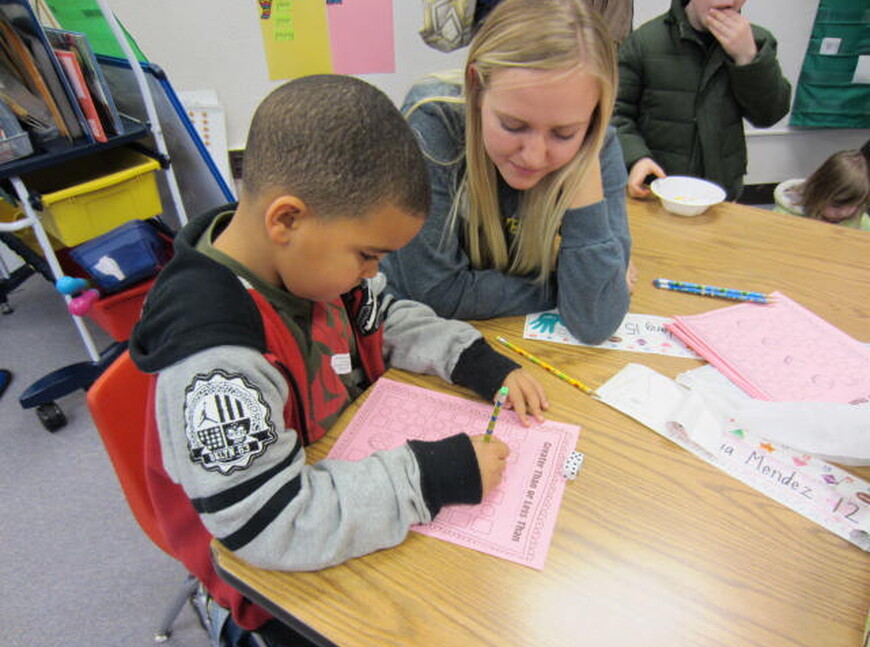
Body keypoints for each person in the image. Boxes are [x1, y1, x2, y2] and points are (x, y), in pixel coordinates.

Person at [128, 75, 548, 646]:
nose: (374, 272)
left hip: (342, 469)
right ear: (286, 220)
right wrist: (432, 475)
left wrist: (471, 360)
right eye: (368, 255)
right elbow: (272, 524)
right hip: (271, 582)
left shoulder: (311, 263)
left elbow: (381, 314)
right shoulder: (214, 362)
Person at [382, 0, 633, 345]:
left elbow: (596, 320)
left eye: (563, 133)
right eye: (513, 125)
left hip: (507, 332)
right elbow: (437, 292)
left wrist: (587, 160)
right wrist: (564, 286)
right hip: (411, 333)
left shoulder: (596, 144)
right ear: (476, 87)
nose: (534, 156)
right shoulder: (432, 121)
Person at [612, 0, 792, 201]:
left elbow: (768, 115)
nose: (728, 2)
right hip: (655, 188)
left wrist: (748, 58)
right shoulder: (645, 42)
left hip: (720, 194)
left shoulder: (755, 42)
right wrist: (636, 158)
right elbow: (614, 114)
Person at [773, 146, 870, 231]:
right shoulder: (784, 216)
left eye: (854, 205)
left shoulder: (860, 221)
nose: (844, 213)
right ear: (817, 192)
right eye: (836, 206)